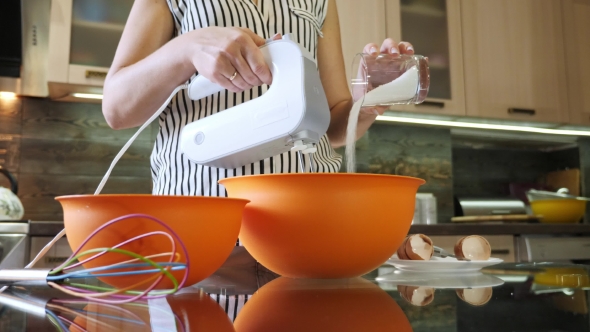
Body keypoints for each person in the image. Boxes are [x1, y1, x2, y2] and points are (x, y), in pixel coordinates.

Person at [102, 0, 415, 197]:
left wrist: (367, 102)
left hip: (307, 213)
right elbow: (116, 108)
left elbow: (331, 126)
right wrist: (186, 48)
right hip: (200, 207)